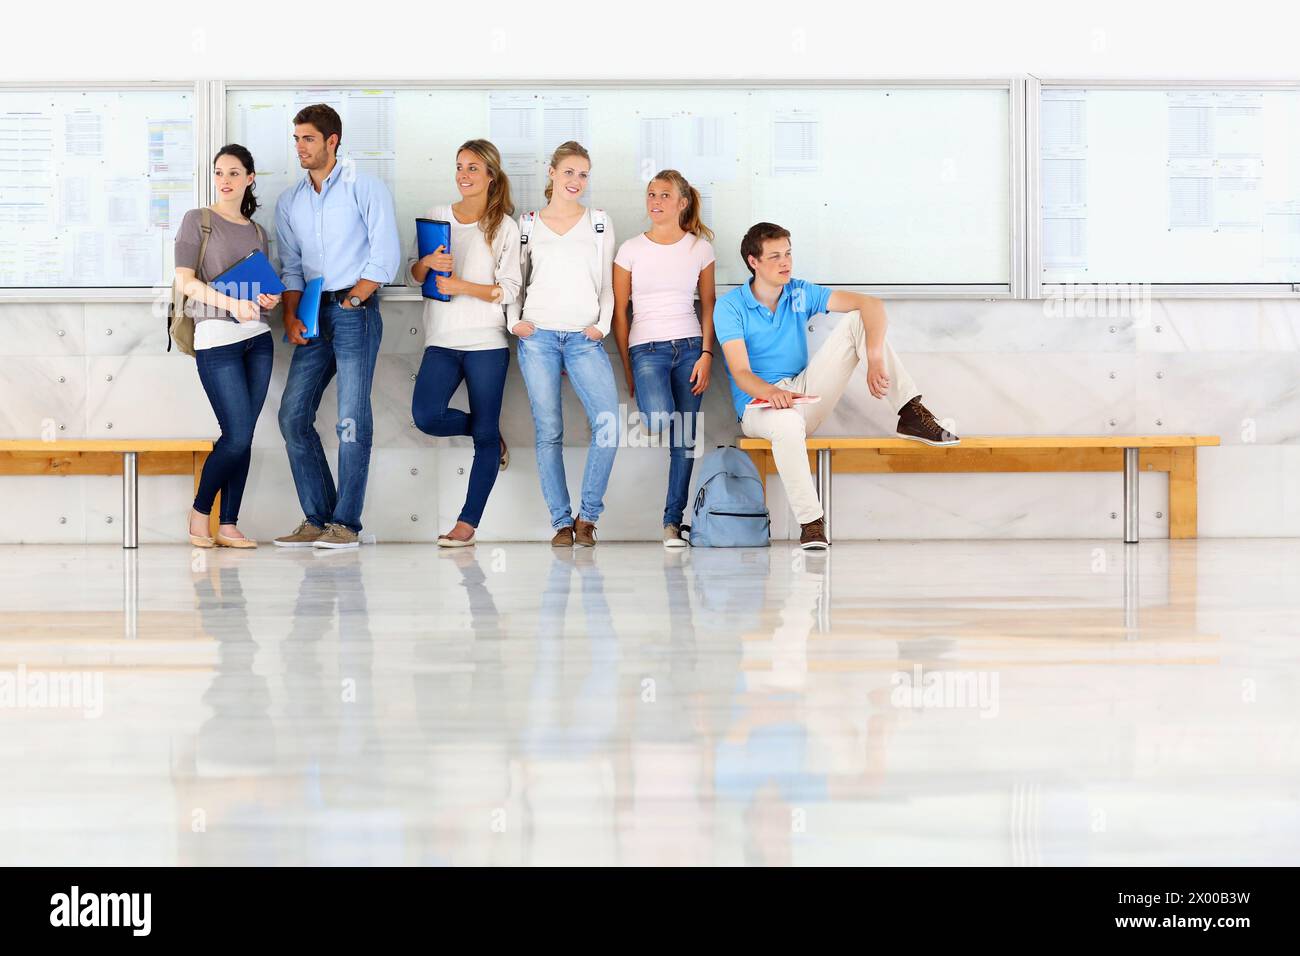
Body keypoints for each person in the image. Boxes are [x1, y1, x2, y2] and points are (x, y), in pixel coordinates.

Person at [715, 222, 960, 551]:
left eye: (788, 253)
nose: (785, 262)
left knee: (858, 319)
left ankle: (909, 411)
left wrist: (873, 359)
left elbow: (872, 305)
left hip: (802, 394)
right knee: (786, 422)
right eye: (775, 256)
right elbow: (741, 372)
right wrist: (772, 393)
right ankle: (811, 523)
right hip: (757, 407)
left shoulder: (799, 291)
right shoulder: (730, 306)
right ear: (753, 262)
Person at [272, 104, 401, 550]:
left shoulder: (365, 188)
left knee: (350, 417)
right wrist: (291, 316)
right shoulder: (290, 201)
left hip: (355, 311)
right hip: (310, 313)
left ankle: (346, 524)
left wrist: (353, 298)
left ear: (333, 141)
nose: (300, 148)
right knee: (292, 415)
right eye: (296, 139)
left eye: (308, 138)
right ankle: (319, 516)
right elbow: (290, 267)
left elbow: (385, 255)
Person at [406, 139, 521, 548]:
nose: (464, 174)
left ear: (491, 175)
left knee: (484, 436)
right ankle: (489, 433)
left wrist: (461, 286)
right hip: (442, 338)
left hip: (487, 342)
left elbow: (507, 291)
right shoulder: (437, 216)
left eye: (473, 167)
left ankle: (467, 524)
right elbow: (415, 276)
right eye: (459, 166)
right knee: (426, 415)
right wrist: (426, 265)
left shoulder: (505, 227)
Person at [507, 141, 618, 548]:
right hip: (538, 338)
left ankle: (587, 517)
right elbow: (515, 280)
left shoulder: (600, 222)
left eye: (584, 174)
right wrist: (514, 322)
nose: (576, 181)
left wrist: (601, 327)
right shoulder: (528, 223)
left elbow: (606, 285)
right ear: (551, 172)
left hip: (584, 339)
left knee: (608, 426)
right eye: (569, 171)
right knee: (549, 430)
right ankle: (560, 522)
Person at [174, 144, 279, 549]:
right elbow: (185, 280)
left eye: (234, 173)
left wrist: (266, 300)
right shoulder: (197, 221)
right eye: (219, 173)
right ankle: (201, 512)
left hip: (257, 341)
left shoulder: (258, 232)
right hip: (216, 339)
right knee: (234, 435)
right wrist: (231, 303)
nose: (225, 180)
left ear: (250, 178)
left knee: (245, 435)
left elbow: (261, 288)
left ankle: (229, 524)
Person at [612, 169, 716, 549]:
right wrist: (628, 368)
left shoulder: (699, 248)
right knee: (659, 417)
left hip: (690, 346)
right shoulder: (630, 249)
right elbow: (620, 314)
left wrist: (707, 353)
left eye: (664, 195)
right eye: (651, 195)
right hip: (647, 350)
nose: (655, 202)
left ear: (682, 203)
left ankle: (673, 523)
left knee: (685, 441)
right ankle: (671, 417)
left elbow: (708, 305)